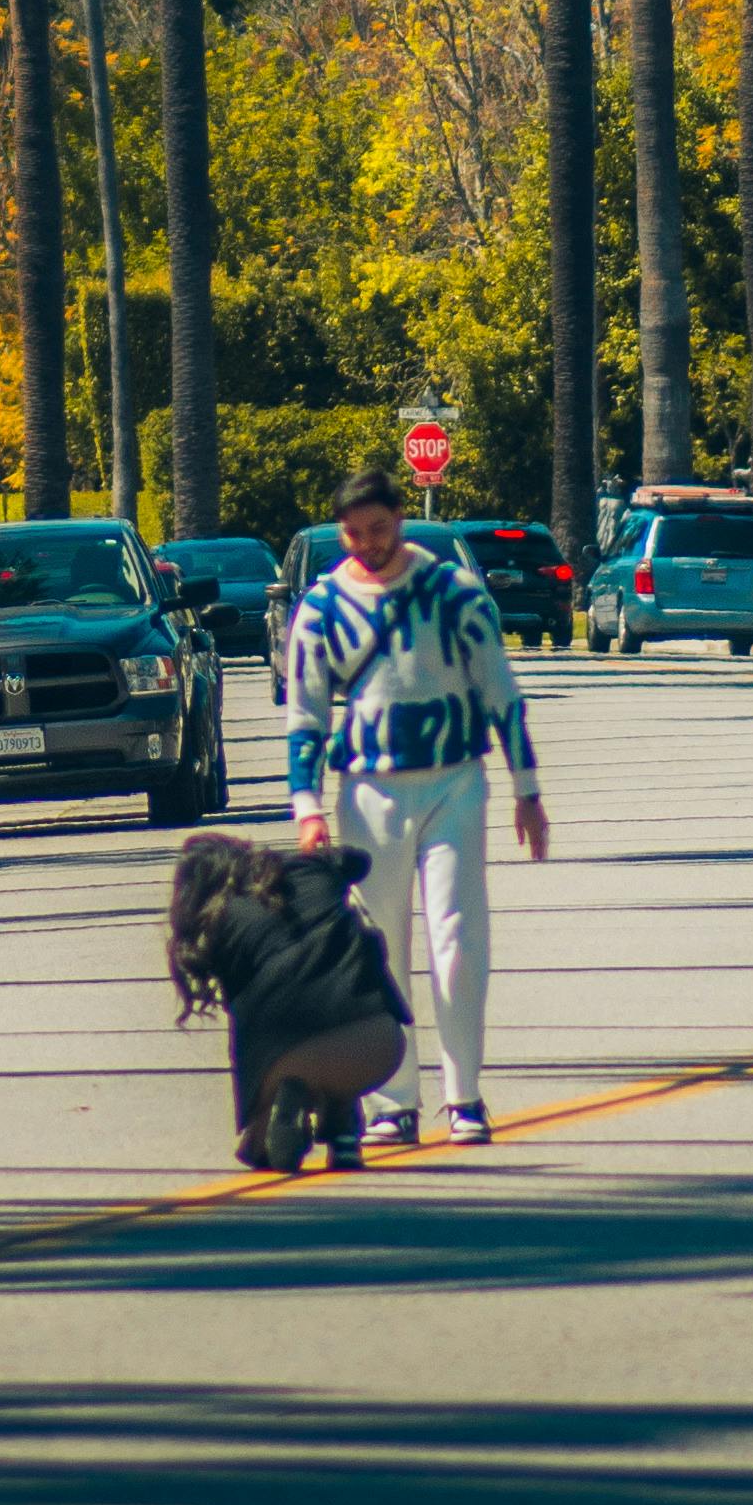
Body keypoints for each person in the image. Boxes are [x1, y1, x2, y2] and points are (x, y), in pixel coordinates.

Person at [279, 480, 549, 1145]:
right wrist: (307, 807)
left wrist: (527, 788)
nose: (368, 545)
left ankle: (464, 1098)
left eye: (378, 529)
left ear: (400, 519)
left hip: (454, 783)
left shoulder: (454, 594)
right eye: (353, 533)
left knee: (457, 940)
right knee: (382, 952)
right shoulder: (320, 609)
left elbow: (499, 690)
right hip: (369, 794)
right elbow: (306, 715)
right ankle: (391, 1103)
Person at [164, 826, 409, 1171]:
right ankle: (343, 1133)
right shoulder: (308, 870)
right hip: (379, 1044)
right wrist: (319, 858)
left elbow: (244, 1029)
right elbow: (361, 862)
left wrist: (254, 1114)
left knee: (257, 1151)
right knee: (342, 998)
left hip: (284, 1056)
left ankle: (295, 1094)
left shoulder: (218, 923)